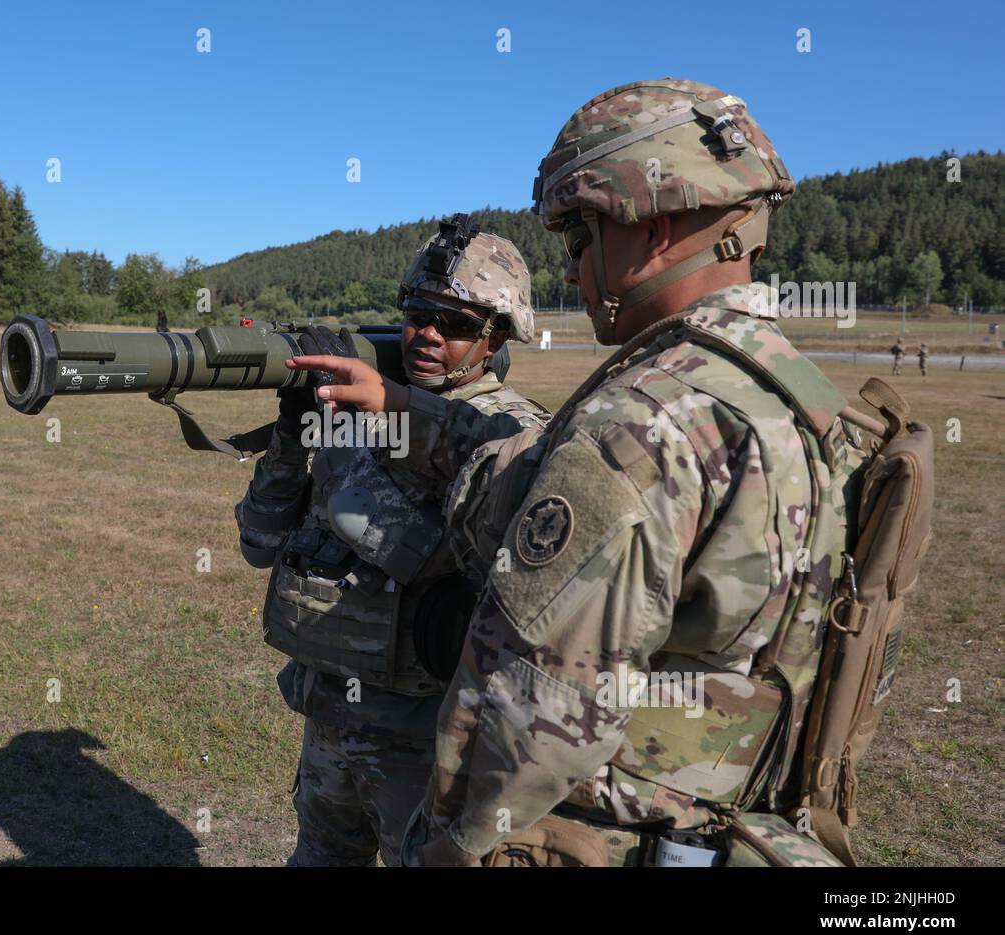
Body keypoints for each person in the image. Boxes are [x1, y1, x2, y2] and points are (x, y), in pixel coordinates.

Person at [288, 79, 868, 867]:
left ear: (652, 225)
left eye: (580, 237)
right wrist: (396, 403)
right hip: (731, 828)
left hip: (612, 834)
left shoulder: (641, 422)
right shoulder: (806, 404)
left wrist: (448, 847)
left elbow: (537, 708)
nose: (573, 271)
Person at [235, 215, 548, 866]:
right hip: (330, 719)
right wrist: (295, 435)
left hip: (426, 736)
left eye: (457, 323)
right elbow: (259, 542)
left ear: (497, 337)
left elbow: (426, 553)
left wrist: (352, 443)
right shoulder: (356, 409)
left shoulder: (512, 438)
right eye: (417, 313)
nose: (428, 335)